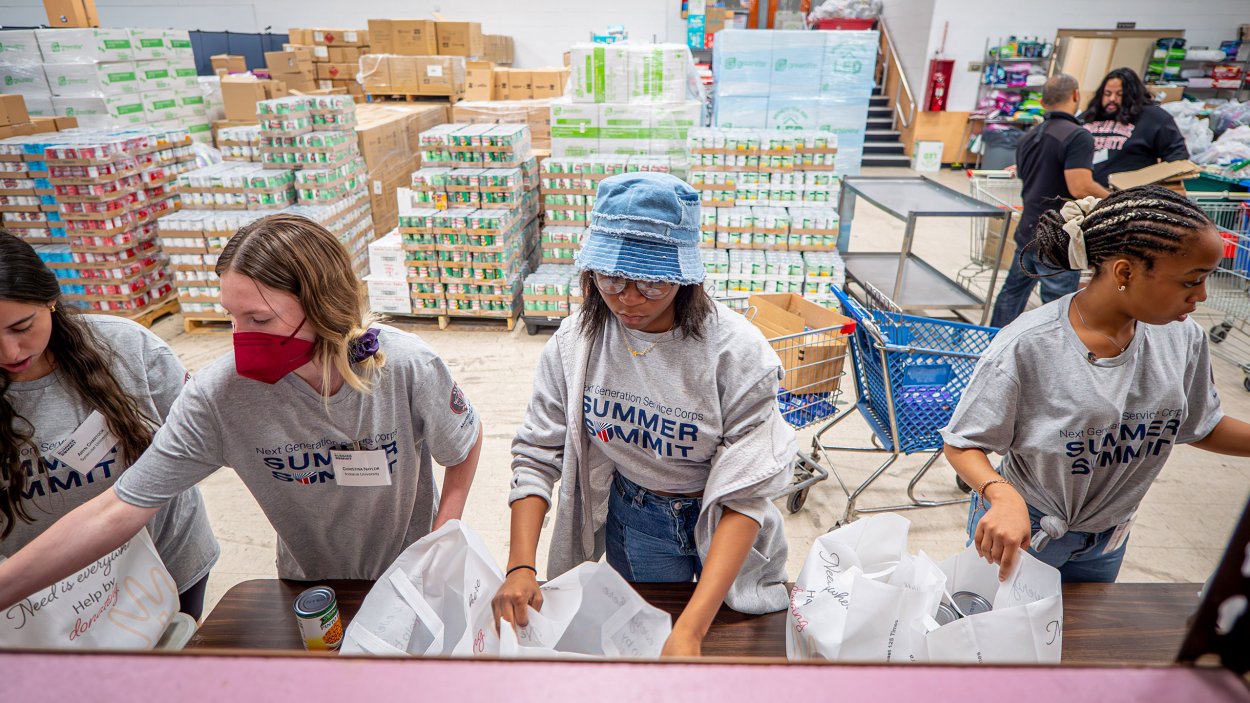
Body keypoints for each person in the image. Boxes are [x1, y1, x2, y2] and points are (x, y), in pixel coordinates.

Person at [0, 214, 484, 611]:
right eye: (232, 317)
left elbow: (463, 440)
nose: (241, 337)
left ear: (323, 304)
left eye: (259, 320)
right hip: (309, 584)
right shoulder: (220, 396)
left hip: (413, 576)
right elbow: (119, 507)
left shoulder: (404, 366)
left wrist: (444, 530)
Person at [493, 173, 795, 656]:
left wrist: (692, 631)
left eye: (652, 281)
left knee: (727, 641)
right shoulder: (577, 344)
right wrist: (520, 566)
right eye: (611, 278)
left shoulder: (736, 354)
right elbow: (537, 452)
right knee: (644, 638)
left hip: (726, 524)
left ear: (686, 276)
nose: (629, 298)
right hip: (639, 519)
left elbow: (745, 492)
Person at [943, 185, 1250, 583]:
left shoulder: (1184, 338)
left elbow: (1202, 426)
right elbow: (963, 443)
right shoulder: (1029, 344)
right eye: (1191, 281)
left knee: (1082, 641)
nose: (1202, 296)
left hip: (1107, 539)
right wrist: (1001, 496)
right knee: (999, 639)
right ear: (1125, 272)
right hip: (1026, 530)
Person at [0, 232, 219, 619]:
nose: (10, 353)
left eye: (21, 327)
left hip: (166, 569)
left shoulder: (128, 347)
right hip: (41, 598)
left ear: (50, 299)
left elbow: (207, 440)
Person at [990, 74, 1110, 328]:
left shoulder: (1029, 137)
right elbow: (1079, 186)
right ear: (1076, 95)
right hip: (1059, 237)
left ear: (1043, 101)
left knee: (1011, 295)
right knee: (1057, 307)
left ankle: (992, 346)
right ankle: (1048, 361)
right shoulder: (1077, 136)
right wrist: (1117, 200)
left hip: (1029, 230)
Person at [1082, 67, 1189, 187]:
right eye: (1107, 94)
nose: (1112, 99)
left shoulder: (1153, 118)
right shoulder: (1089, 116)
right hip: (1081, 195)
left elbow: (1177, 156)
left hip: (1129, 196)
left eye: (1119, 94)